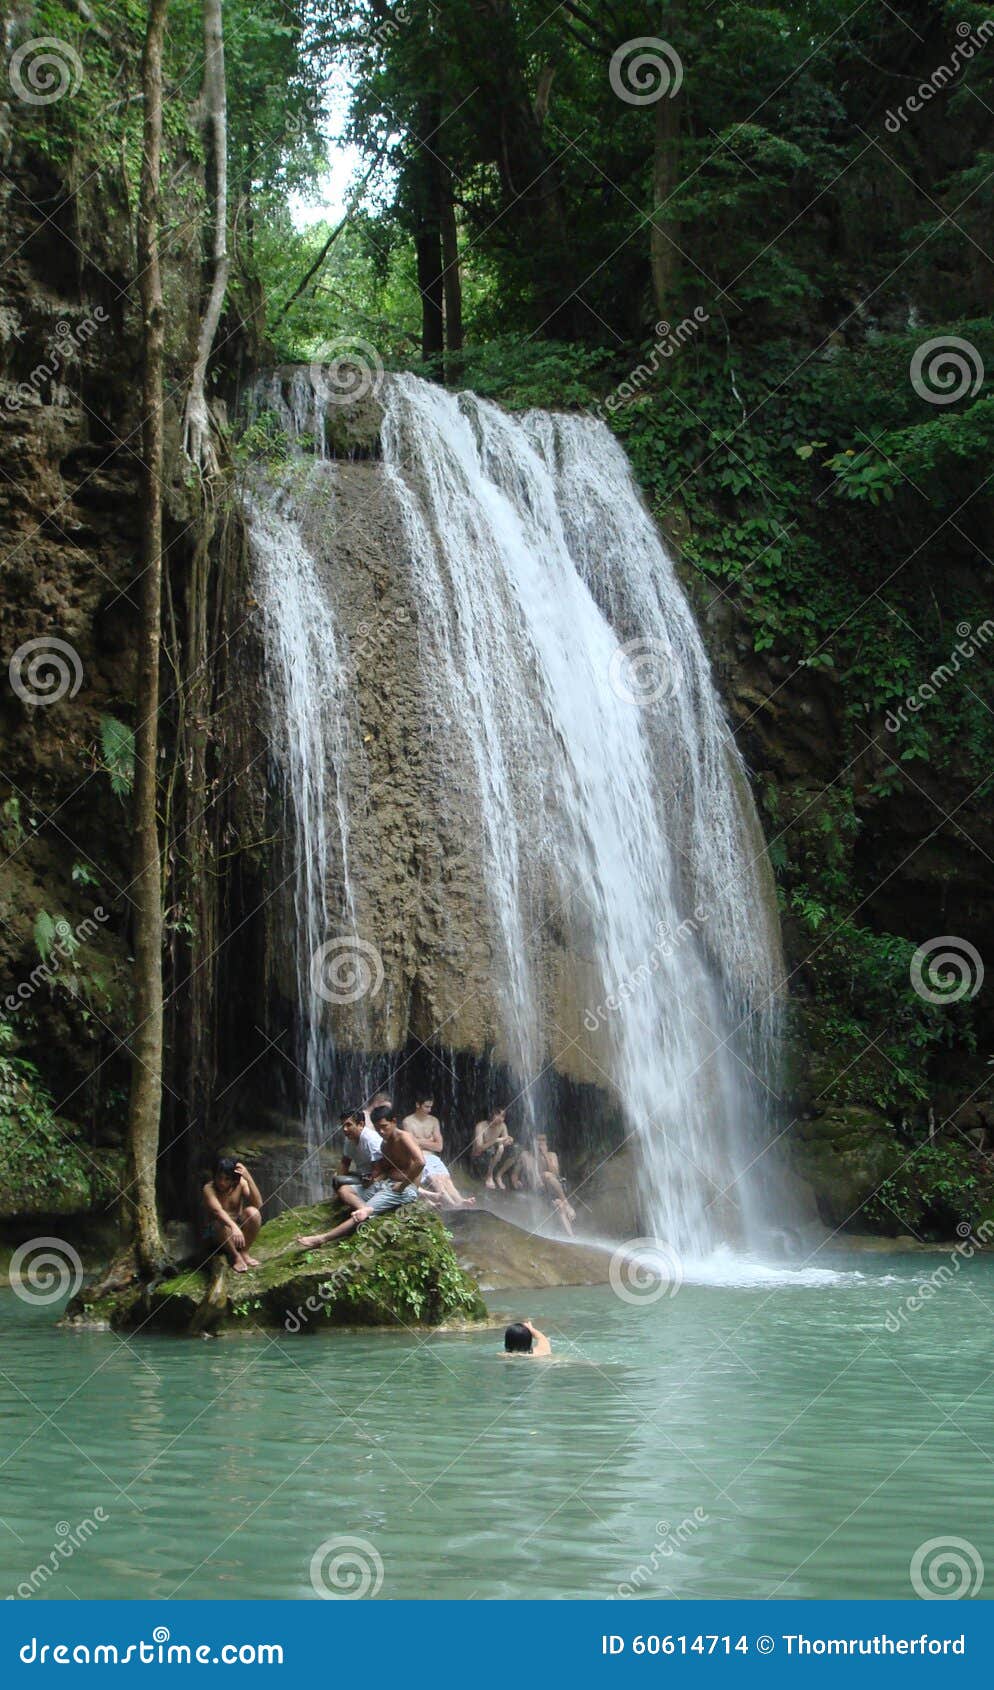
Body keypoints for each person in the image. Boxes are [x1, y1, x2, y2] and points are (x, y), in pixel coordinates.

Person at [295, 1106, 425, 1248]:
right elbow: (385, 1171)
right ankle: (368, 1209)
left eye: (384, 1127)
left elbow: (420, 1162)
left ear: (394, 1121)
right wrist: (373, 1181)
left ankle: (322, 1239)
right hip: (386, 1183)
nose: (381, 1131)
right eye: (377, 1128)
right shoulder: (384, 1145)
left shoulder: (404, 1137)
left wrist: (403, 1185)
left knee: (362, 1213)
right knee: (345, 1190)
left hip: (404, 1189)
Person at [402, 1093, 476, 1210]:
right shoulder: (408, 1121)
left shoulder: (434, 1121)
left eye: (431, 1107)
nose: (429, 1110)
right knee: (435, 1179)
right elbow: (411, 1144)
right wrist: (430, 1140)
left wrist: (419, 1141)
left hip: (433, 1157)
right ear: (418, 1105)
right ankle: (453, 1204)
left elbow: (439, 1147)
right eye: (426, 1106)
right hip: (420, 1157)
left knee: (446, 1178)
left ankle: (460, 1200)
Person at [203, 1156, 263, 1272]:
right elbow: (217, 1211)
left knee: (253, 1213)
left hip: (238, 1232)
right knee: (218, 1223)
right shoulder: (209, 1188)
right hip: (217, 1234)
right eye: (219, 1178)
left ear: (234, 1179)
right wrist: (233, 1226)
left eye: (227, 1179)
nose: (222, 1182)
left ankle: (244, 1252)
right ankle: (236, 1256)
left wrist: (248, 1177)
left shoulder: (240, 1184)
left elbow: (258, 1204)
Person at [534, 1133, 576, 1235]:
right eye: (539, 1140)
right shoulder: (535, 1157)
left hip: (555, 1187)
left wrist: (546, 1156)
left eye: (543, 1140)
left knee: (560, 1206)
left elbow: (556, 1173)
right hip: (543, 1189)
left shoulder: (552, 1155)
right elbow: (535, 1175)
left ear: (546, 1142)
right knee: (546, 1175)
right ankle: (566, 1203)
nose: (541, 1143)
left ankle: (571, 1235)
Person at [472, 1107, 516, 1189]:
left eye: (503, 1116)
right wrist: (496, 1140)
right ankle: (489, 1176)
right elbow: (479, 1148)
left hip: (495, 1154)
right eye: (498, 1115)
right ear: (491, 1115)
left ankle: (498, 1175)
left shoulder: (502, 1125)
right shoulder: (481, 1126)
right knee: (495, 1149)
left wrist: (509, 1140)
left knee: (513, 1151)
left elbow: (505, 1141)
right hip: (480, 1157)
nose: (500, 1119)